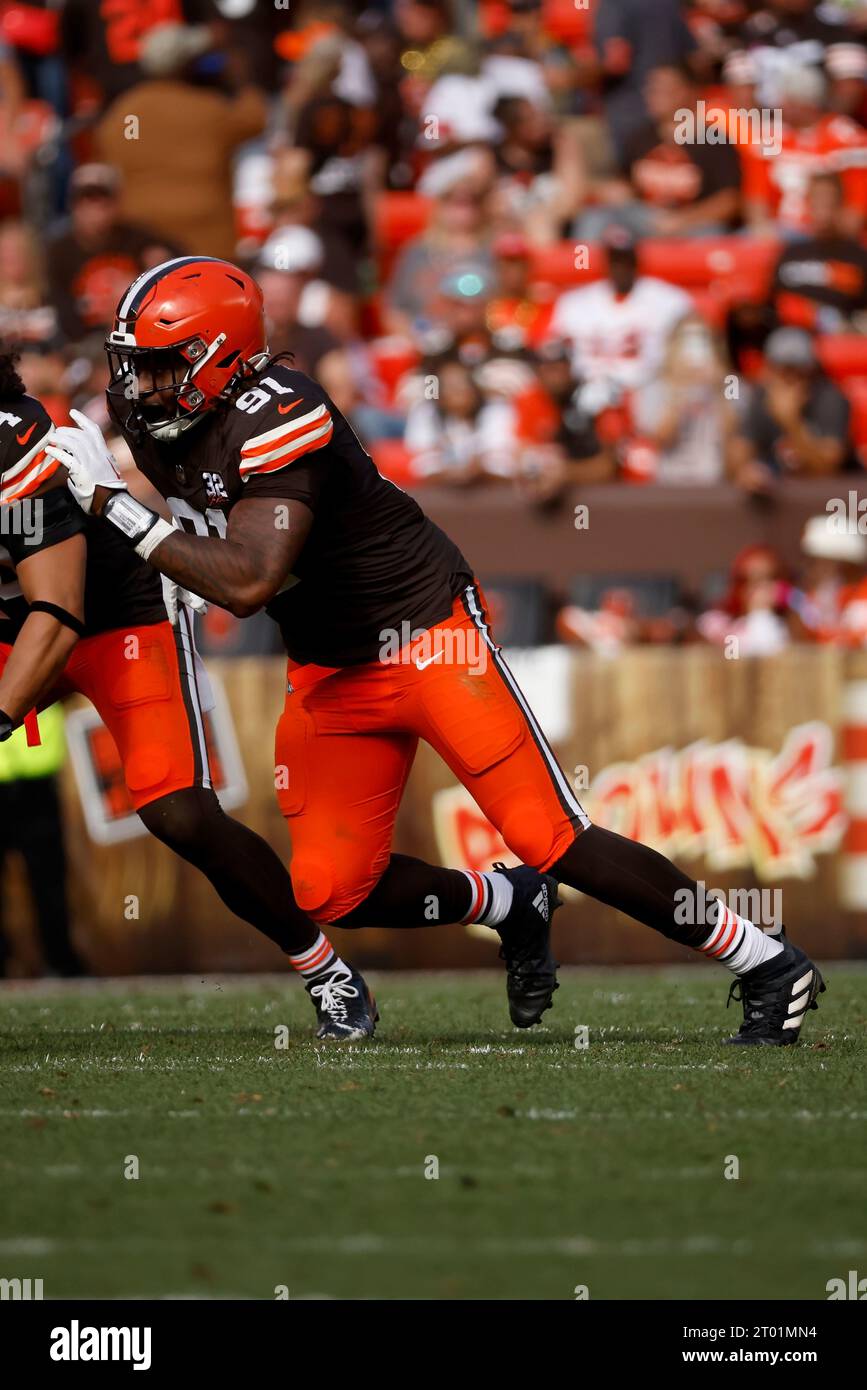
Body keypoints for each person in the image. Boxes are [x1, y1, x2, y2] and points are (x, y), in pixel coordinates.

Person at [49, 255, 826, 1047]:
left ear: (218, 355)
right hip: (329, 665)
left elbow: (248, 581)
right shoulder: (145, 412)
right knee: (328, 888)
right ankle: (504, 903)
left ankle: (765, 960)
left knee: (552, 837)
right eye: (131, 367)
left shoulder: (279, 408)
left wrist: (114, 503)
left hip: (425, 634)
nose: (139, 388)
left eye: (159, 366)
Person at [729, 326, 854, 495]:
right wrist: (748, 471)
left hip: (829, 502)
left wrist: (790, 421)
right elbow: (737, 458)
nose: (791, 379)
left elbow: (827, 469)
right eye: (783, 371)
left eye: (798, 371)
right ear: (769, 371)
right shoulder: (761, 397)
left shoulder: (830, 398)